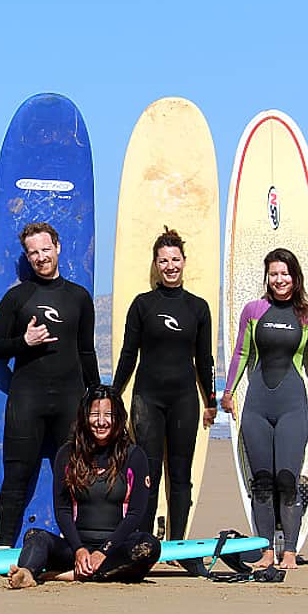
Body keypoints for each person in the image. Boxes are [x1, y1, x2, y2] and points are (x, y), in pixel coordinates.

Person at [0, 222, 100, 548]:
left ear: (58, 248)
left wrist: (96, 397)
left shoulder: (78, 297)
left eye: (45, 250)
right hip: (27, 399)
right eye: (33, 252)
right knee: (17, 475)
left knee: (75, 476)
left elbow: (85, 351)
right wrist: (24, 341)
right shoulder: (17, 297)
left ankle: (81, 545)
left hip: (69, 399)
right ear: (27, 256)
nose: (40, 257)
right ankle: (4, 545)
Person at [221, 248, 308, 570]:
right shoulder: (254, 310)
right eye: (274, 274)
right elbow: (242, 353)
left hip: (293, 406)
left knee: (286, 477)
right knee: (262, 480)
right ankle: (267, 550)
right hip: (257, 405)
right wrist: (228, 392)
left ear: (295, 276)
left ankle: (290, 552)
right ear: (267, 277)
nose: (279, 279)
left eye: (285, 273)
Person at [112, 227, 216, 542]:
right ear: (156, 265)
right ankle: (143, 541)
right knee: (149, 474)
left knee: (181, 476)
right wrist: (113, 396)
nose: (169, 266)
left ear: (184, 262)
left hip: (184, 399)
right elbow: (128, 354)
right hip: (148, 399)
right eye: (163, 260)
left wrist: (210, 401)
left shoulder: (197, 307)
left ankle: (177, 542)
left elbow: (204, 358)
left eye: (175, 259)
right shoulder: (142, 305)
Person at [8, 385, 162, 587]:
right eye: (94, 414)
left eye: (108, 414)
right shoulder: (67, 454)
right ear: (84, 417)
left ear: (118, 418)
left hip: (116, 549)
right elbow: (62, 510)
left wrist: (103, 551)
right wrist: (79, 549)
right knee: (35, 536)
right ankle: (27, 573)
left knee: (149, 546)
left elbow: (136, 513)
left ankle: (69, 575)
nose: (101, 421)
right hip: (75, 549)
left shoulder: (134, 456)